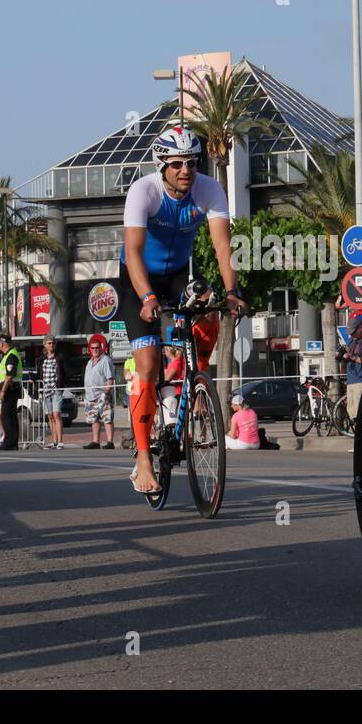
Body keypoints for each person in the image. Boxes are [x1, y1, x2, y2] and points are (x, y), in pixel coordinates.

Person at [119, 126, 246, 494]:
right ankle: (143, 459)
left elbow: (223, 246)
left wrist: (232, 292)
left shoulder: (208, 189)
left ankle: (198, 377)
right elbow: (133, 252)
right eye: (176, 164)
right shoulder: (143, 191)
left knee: (207, 302)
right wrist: (146, 299)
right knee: (147, 366)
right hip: (138, 278)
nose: (186, 170)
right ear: (162, 165)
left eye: (192, 162)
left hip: (177, 274)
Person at [82, 334, 115, 449]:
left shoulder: (105, 360)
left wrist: (106, 392)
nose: (95, 350)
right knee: (93, 418)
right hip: (90, 396)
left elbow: (110, 378)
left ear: (101, 348)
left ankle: (110, 441)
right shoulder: (89, 362)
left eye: (97, 348)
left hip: (102, 394)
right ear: (90, 349)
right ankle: (96, 441)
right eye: (93, 348)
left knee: (107, 418)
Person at [37, 336, 68, 449]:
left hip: (56, 389)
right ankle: (54, 441)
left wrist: (61, 385)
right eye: (49, 343)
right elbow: (39, 374)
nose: (51, 345)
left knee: (57, 414)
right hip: (46, 390)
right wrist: (33, 377)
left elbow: (64, 372)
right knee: (50, 416)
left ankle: (60, 441)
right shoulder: (41, 359)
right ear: (44, 345)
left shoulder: (59, 357)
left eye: (53, 343)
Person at [0, 334, 23, 451]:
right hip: (12, 389)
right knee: (11, 416)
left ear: (2, 343)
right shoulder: (9, 355)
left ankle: (8, 442)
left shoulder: (11, 356)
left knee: (7, 417)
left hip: (10, 389)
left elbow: (10, 375)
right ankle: (13, 443)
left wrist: (3, 390)